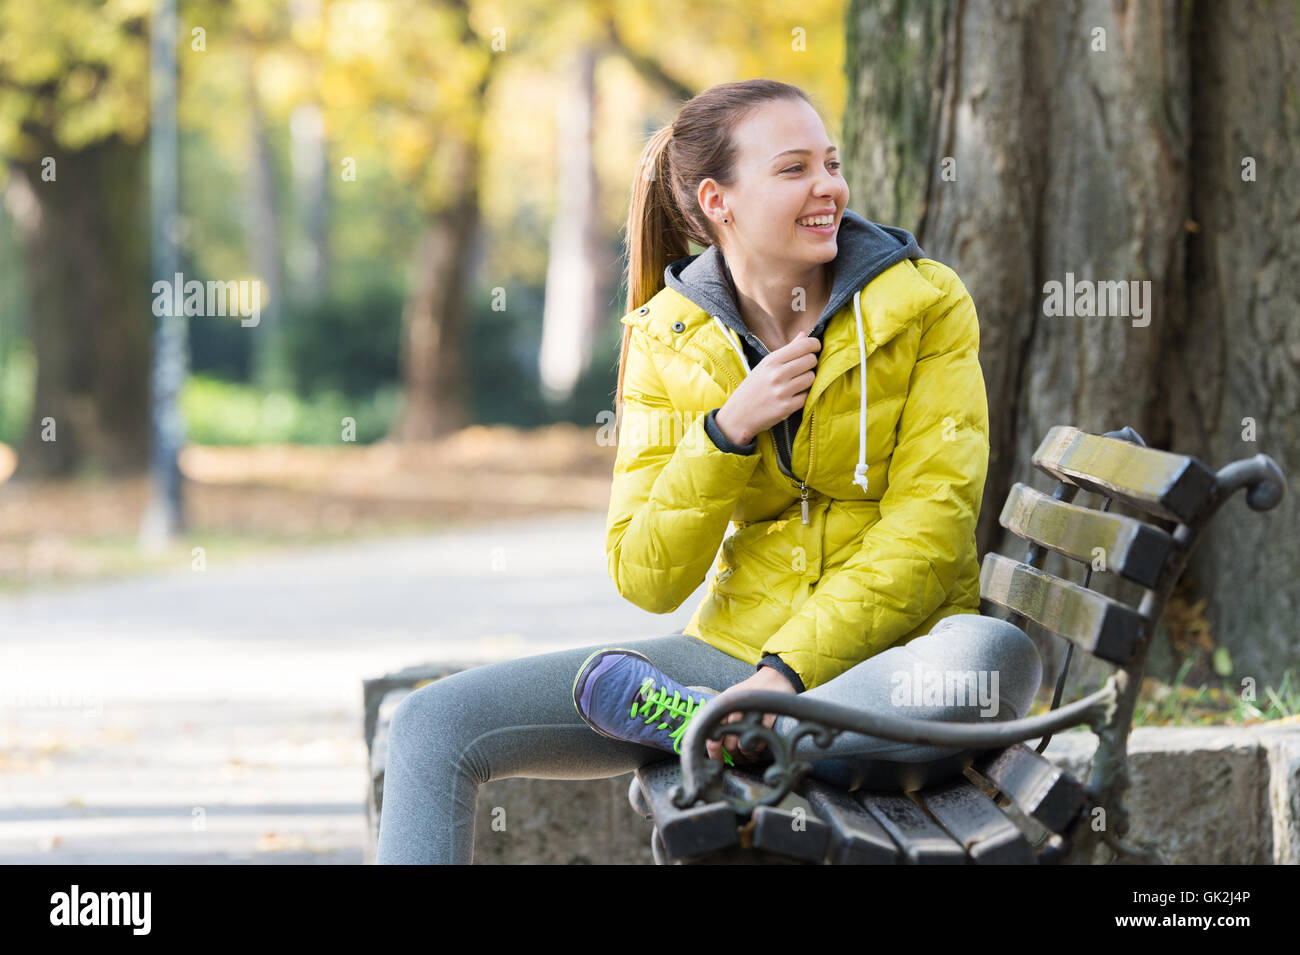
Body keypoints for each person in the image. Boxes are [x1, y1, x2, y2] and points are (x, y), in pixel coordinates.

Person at [375, 78, 1041, 865]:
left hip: (897, 659)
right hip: (727, 660)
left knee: (990, 657)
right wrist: (727, 432)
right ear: (717, 200)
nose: (829, 186)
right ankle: (731, 725)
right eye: (794, 169)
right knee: (431, 725)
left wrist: (780, 677)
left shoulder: (926, 304)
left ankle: (726, 727)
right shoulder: (667, 338)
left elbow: (933, 526)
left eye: (830, 163)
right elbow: (645, 572)